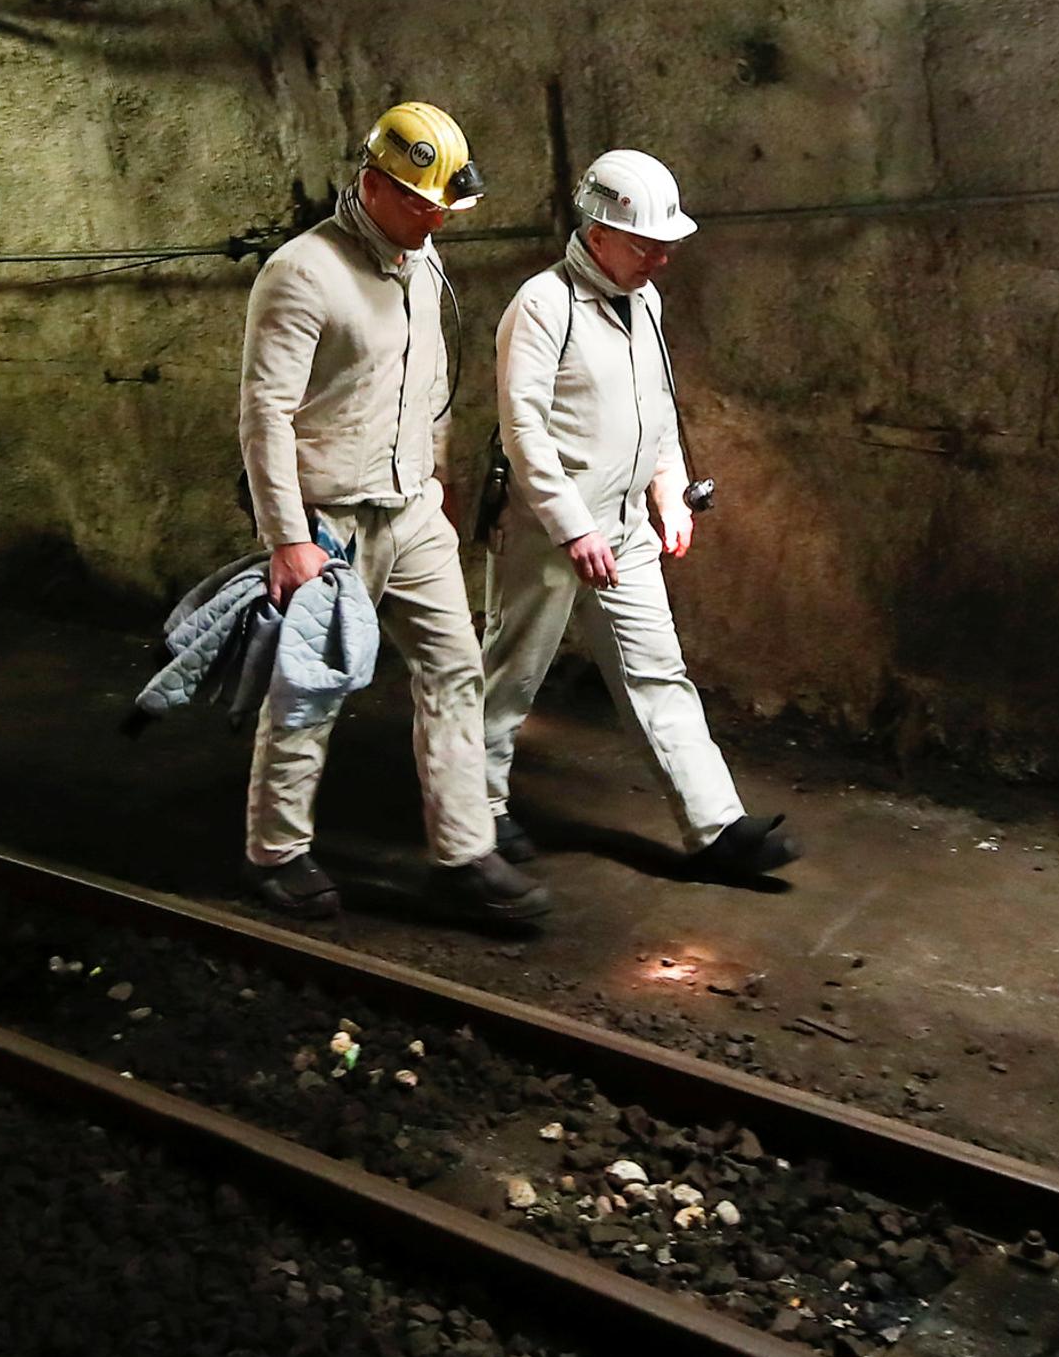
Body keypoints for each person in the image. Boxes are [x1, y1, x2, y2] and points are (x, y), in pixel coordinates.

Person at [234, 101, 549, 924]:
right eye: (420, 203)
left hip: (411, 513)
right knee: (312, 688)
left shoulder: (423, 261)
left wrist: (436, 477)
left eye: (443, 207)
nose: (434, 218)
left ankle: (464, 852)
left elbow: (429, 384)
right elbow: (264, 412)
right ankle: (277, 851)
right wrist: (287, 539)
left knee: (454, 669)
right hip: (329, 521)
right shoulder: (303, 272)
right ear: (374, 183)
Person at [478, 148, 798, 881]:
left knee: (659, 673)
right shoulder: (542, 305)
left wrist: (668, 488)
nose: (661, 259)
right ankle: (476, 811)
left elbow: (654, 406)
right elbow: (523, 431)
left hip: (625, 527)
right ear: (597, 235)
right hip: (546, 529)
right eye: (646, 244)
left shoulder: (643, 301)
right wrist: (571, 526)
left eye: (668, 245)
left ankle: (717, 828)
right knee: (511, 676)